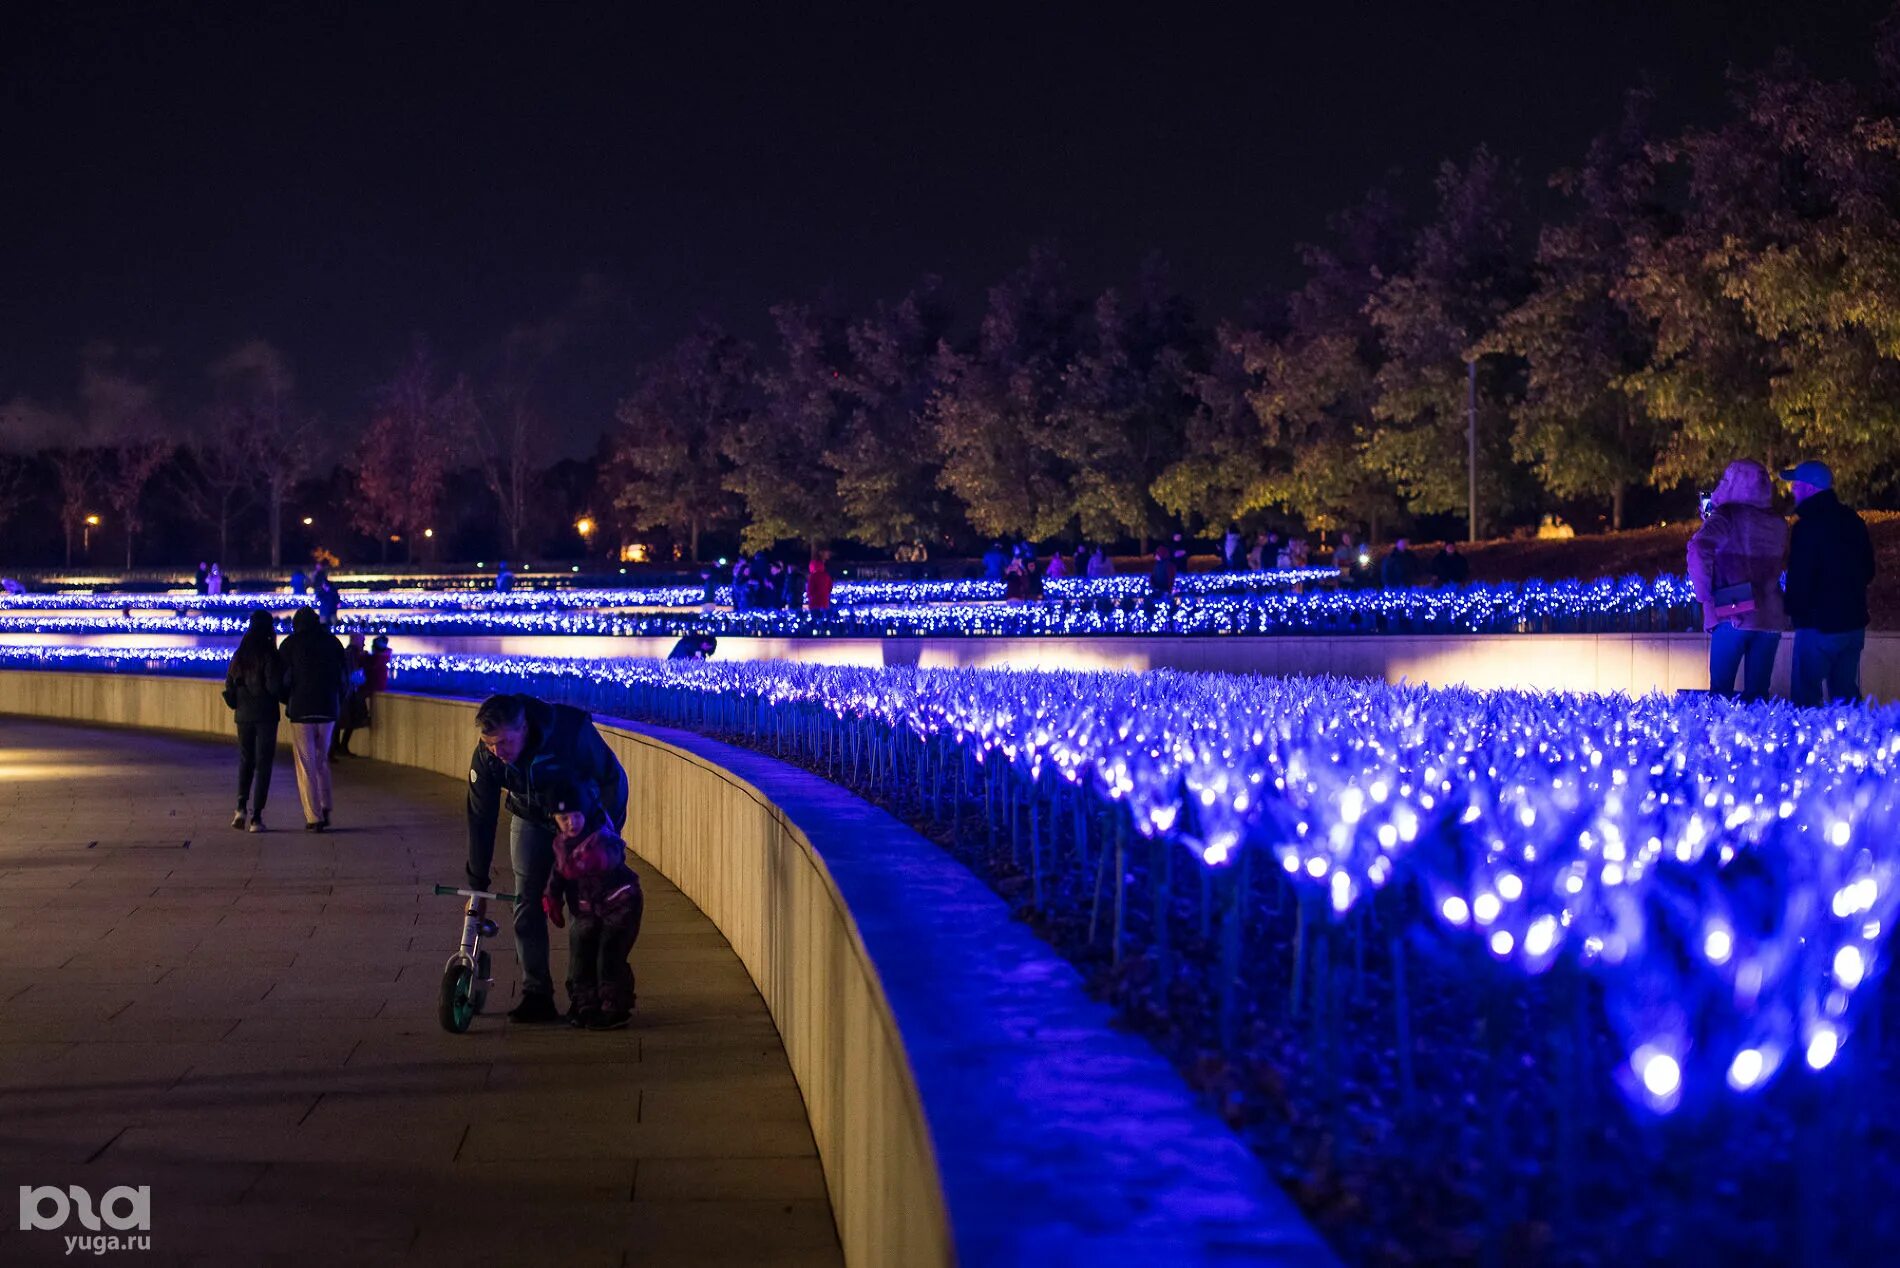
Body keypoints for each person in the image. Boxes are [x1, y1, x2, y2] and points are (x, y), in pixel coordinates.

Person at [465, 693, 630, 1024]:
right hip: (529, 818)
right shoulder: (488, 757)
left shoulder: (568, 733)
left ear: (524, 727)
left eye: (504, 743)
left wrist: (607, 838)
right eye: (489, 744)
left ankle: (582, 994)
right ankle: (536, 993)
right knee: (526, 901)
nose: (497, 752)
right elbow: (480, 816)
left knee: (581, 906)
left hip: (578, 819)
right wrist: (477, 886)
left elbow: (613, 779)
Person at [541, 779, 644, 1030]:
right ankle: (585, 1005)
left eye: (575, 816)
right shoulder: (562, 843)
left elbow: (613, 855)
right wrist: (551, 896)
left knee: (609, 955)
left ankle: (614, 1006)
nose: (570, 823)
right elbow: (559, 872)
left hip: (620, 905)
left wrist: (591, 861)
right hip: (587, 908)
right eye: (563, 818)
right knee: (581, 956)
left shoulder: (601, 835)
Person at [1686, 460, 1788, 702]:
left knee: (1720, 694)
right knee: (1759, 697)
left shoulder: (1727, 516)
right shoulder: (1778, 523)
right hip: (1770, 614)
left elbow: (1699, 547)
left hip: (1734, 610)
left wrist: (1704, 594)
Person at [1781, 460, 1877, 706]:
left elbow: (1800, 576)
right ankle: (1853, 743)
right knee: (1846, 696)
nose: (1792, 489)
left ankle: (1809, 744)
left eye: (1796, 484)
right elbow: (1868, 569)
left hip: (1817, 625)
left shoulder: (1808, 526)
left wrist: (1795, 611)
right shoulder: (1853, 520)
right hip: (1852, 623)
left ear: (1810, 488)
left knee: (1806, 698)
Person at [277, 606, 348, 831]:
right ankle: (326, 804)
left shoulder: (289, 644)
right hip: (328, 709)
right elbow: (343, 677)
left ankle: (313, 816)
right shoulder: (333, 642)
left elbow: (282, 680)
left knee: (306, 764)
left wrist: (287, 700)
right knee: (321, 759)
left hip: (301, 709)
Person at [223, 610, 284, 833]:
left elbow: (229, 685)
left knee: (246, 760)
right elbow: (274, 686)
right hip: (266, 714)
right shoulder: (269, 653)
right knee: (264, 764)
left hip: (243, 715)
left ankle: (240, 807)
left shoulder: (239, 655)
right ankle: (256, 817)